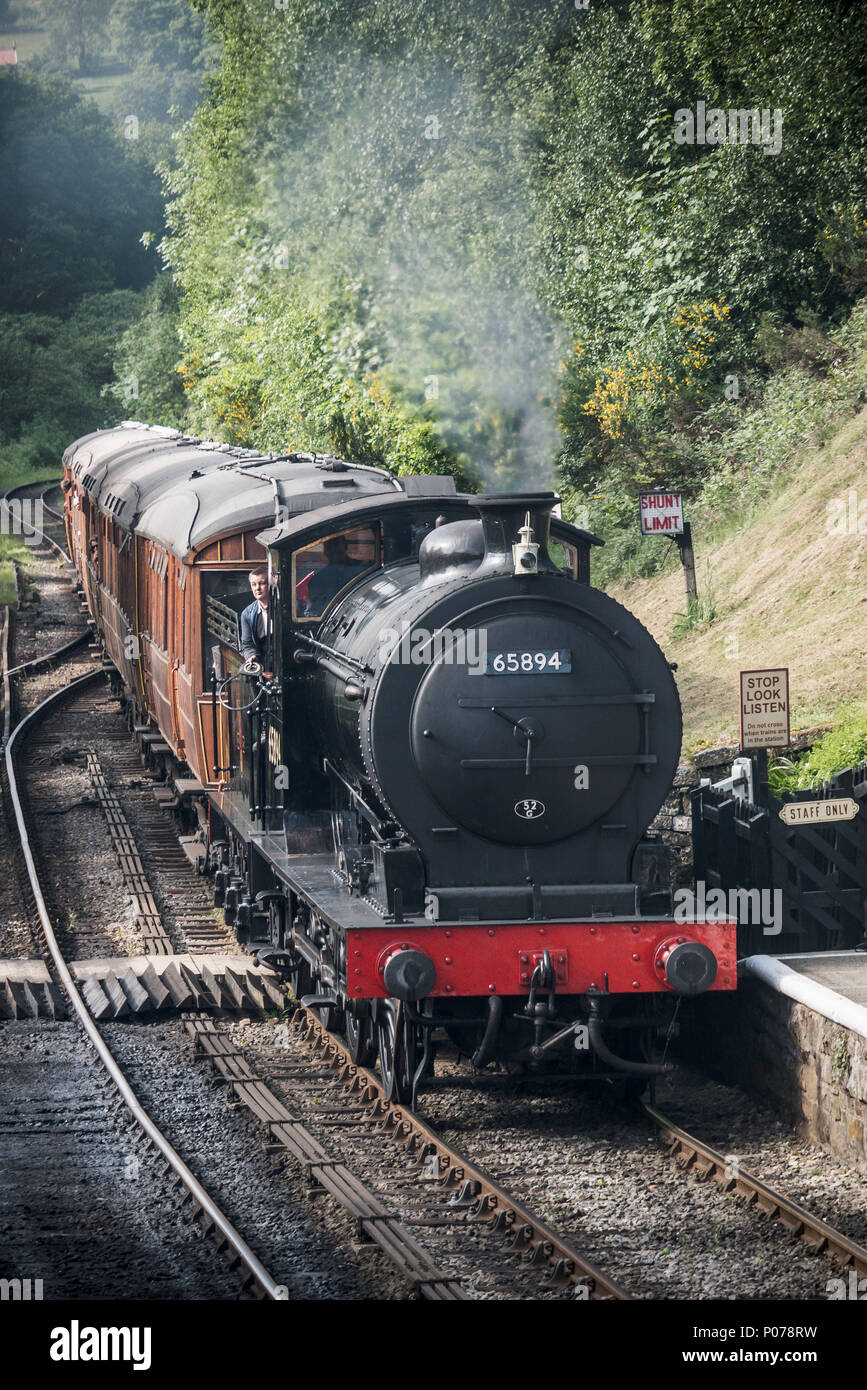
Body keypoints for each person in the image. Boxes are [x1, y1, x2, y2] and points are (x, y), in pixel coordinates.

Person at [305, 534, 366, 615]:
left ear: (345, 546)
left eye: (336, 544)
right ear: (325, 551)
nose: (334, 549)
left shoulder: (363, 570)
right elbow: (312, 611)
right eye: (330, 546)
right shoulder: (317, 580)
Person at [239, 567, 273, 676]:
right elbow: (247, 643)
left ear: (270, 585)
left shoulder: (284, 609)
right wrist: (251, 655)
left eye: (262, 583)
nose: (257, 588)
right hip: (262, 664)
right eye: (254, 584)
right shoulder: (247, 614)